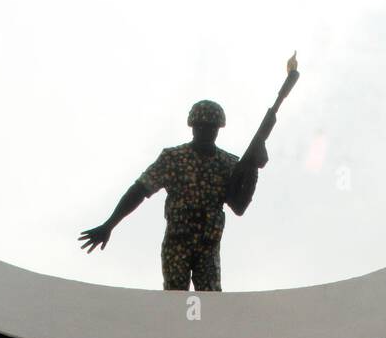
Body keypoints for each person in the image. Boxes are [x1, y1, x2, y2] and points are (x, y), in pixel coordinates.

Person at [78, 100, 270, 291]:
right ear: (192, 127)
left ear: (218, 129)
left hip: (208, 247)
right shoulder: (174, 158)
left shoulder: (228, 163)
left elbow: (239, 206)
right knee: (175, 301)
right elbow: (139, 190)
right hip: (177, 244)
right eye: (200, 127)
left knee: (211, 304)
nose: (205, 132)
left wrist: (253, 168)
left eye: (210, 128)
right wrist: (109, 224)